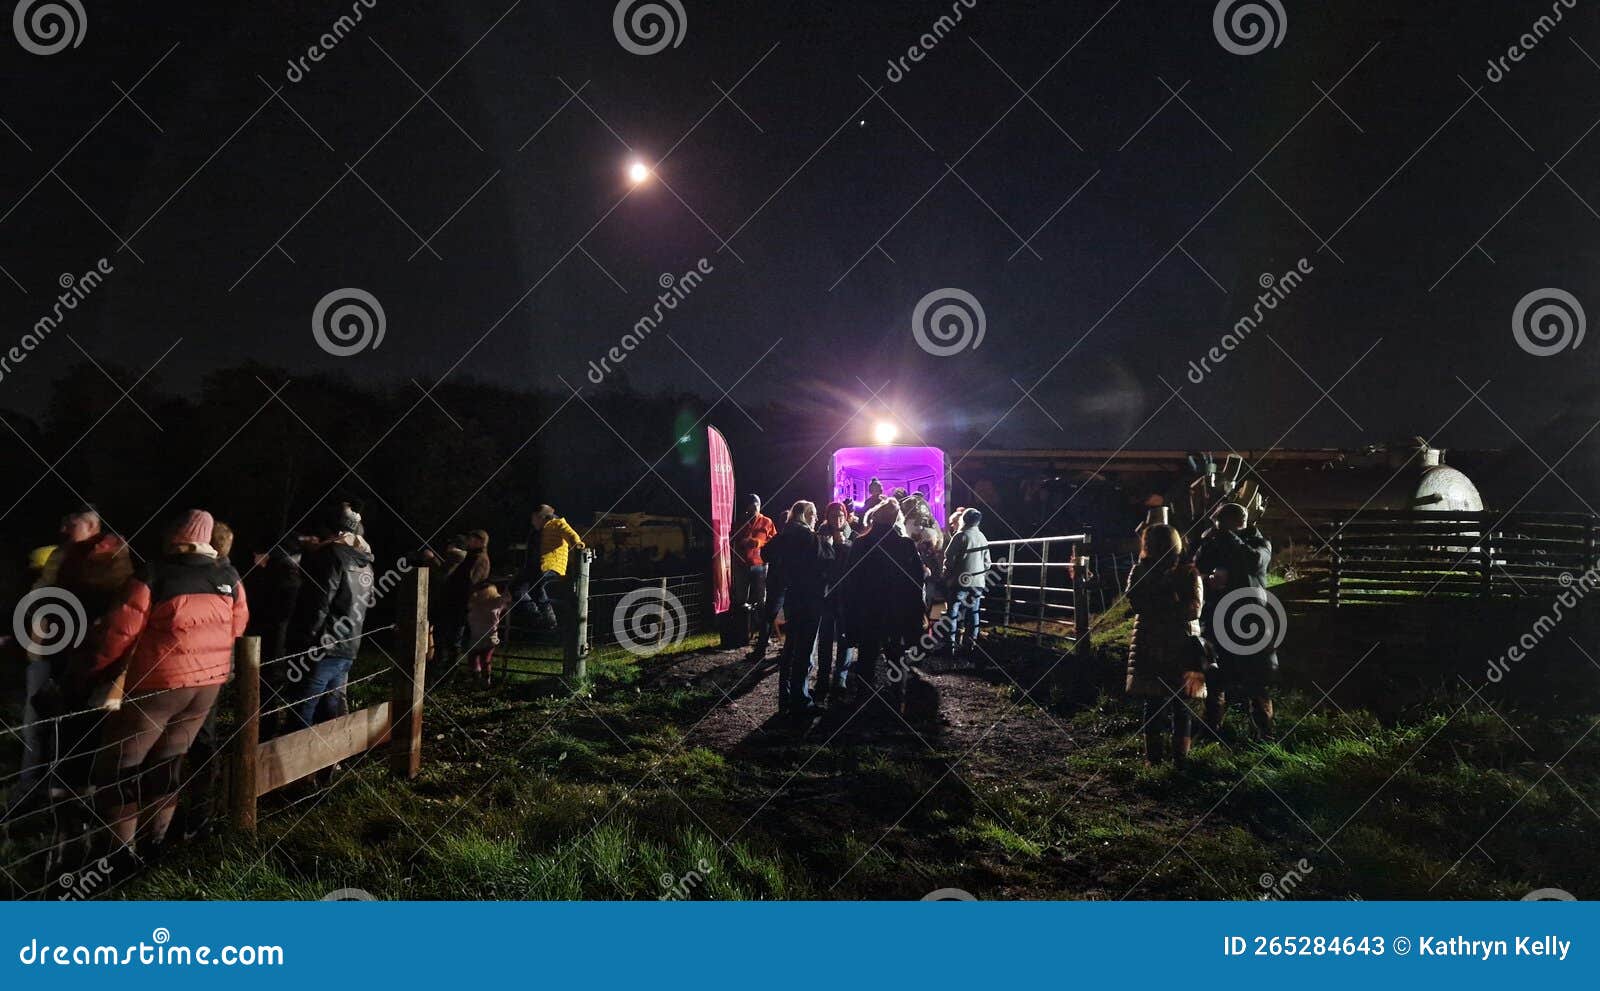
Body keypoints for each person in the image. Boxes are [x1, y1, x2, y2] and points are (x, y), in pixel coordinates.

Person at [88, 510, 249, 853]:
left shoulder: (154, 574)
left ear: (179, 536)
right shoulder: (229, 576)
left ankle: (119, 854)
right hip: (208, 684)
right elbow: (238, 626)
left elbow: (120, 632)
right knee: (168, 761)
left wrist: (97, 669)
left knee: (120, 763)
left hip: (159, 684)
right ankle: (156, 842)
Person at [285, 505, 375, 728]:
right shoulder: (365, 562)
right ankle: (331, 760)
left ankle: (299, 761)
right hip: (349, 645)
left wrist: (307, 641)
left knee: (303, 710)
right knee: (331, 709)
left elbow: (320, 603)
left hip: (323, 647)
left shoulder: (331, 556)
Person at [1124, 524, 1206, 767]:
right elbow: (1192, 610)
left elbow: (1142, 605)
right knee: (1172, 704)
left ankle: (1158, 759)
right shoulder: (1183, 572)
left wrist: (1159, 600)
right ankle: (1174, 760)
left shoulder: (1176, 572)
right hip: (1174, 642)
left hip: (1157, 641)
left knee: (1159, 703)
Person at [1195, 502, 1278, 740]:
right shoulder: (1215, 544)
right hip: (1218, 620)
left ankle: (1265, 734)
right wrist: (1207, 579)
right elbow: (1196, 568)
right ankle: (1212, 732)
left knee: (1256, 680)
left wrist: (1226, 537)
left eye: (1223, 526)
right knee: (1216, 677)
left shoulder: (1259, 544)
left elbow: (1253, 561)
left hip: (1249, 621)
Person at [842, 500, 926, 699]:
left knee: (867, 654)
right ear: (896, 519)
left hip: (867, 610)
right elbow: (916, 579)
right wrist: (915, 612)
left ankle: (864, 697)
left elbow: (850, 581)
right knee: (895, 654)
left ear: (874, 518)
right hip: (896, 610)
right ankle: (897, 696)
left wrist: (849, 613)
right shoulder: (905, 545)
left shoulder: (861, 544)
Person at [763, 501, 825, 716]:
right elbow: (823, 564)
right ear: (805, 515)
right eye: (814, 514)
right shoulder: (809, 537)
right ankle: (801, 700)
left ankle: (785, 697)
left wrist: (783, 571)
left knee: (790, 647)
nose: (816, 518)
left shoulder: (784, 535)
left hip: (791, 596)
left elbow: (765, 553)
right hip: (809, 598)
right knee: (805, 649)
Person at [436, 529, 491, 672]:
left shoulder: (480, 559)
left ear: (479, 541)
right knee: (447, 638)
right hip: (455, 602)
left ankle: (449, 672)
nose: (468, 542)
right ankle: (443, 670)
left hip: (460, 604)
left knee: (453, 640)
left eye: (471, 539)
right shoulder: (472, 556)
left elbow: (470, 582)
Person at [815, 502, 853, 704]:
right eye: (833, 515)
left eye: (840, 515)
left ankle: (840, 678)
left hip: (846, 596)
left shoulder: (852, 536)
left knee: (845, 637)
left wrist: (845, 544)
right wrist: (829, 545)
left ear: (845, 517)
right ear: (827, 517)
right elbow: (817, 564)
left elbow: (856, 564)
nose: (837, 519)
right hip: (827, 594)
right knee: (826, 637)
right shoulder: (820, 537)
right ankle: (822, 677)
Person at [730, 494, 776, 659]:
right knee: (741, 600)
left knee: (761, 601)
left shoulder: (767, 522)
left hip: (760, 565)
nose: (751, 510)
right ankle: (743, 634)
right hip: (742, 565)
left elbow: (774, 541)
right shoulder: (740, 521)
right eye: (749, 507)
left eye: (754, 507)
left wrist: (758, 543)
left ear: (759, 505)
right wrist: (741, 541)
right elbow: (731, 538)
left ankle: (763, 636)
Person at [528, 505, 586, 630]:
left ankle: (549, 617)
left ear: (541, 517)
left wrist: (578, 545)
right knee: (523, 587)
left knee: (537, 585)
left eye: (534, 519)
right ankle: (540, 616)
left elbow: (571, 535)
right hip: (540, 567)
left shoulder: (558, 524)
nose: (532, 522)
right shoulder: (539, 531)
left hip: (553, 566)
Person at [943, 509, 991, 655]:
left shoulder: (960, 535)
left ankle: (950, 645)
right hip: (978, 582)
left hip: (960, 580)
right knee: (973, 611)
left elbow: (949, 556)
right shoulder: (982, 537)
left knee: (953, 611)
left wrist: (949, 570)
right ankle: (970, 644)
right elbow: (988, 563)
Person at [466, 581, 507, 687]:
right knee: (480, 658)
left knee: (479, 658)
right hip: (483, 635)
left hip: (482, 635)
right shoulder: (494, 602)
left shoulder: (477, 602)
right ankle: (482, 680)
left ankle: (480, 680)